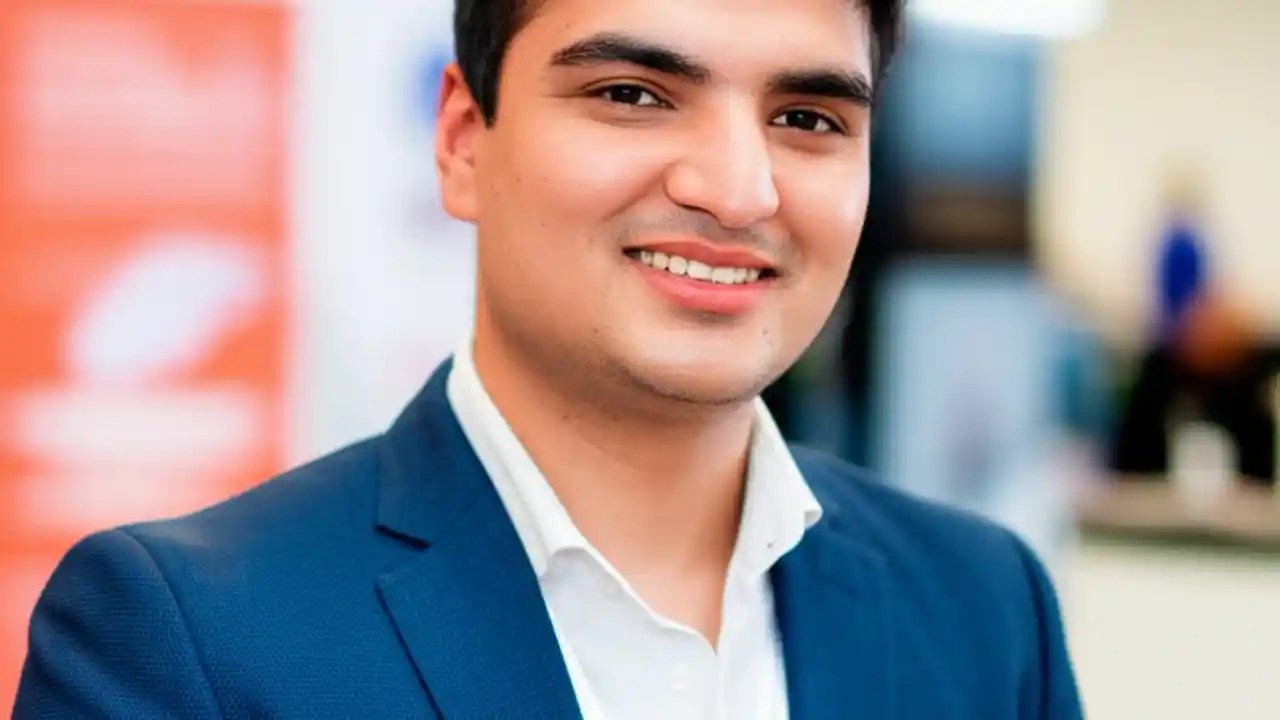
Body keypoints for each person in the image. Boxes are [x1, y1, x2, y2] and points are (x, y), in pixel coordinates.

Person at [14, 0, 1082, 717]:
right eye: (631, 94)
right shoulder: (187, 638)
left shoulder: (983, 608)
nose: (738, 190)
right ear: (463, 142)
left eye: (805, 117)